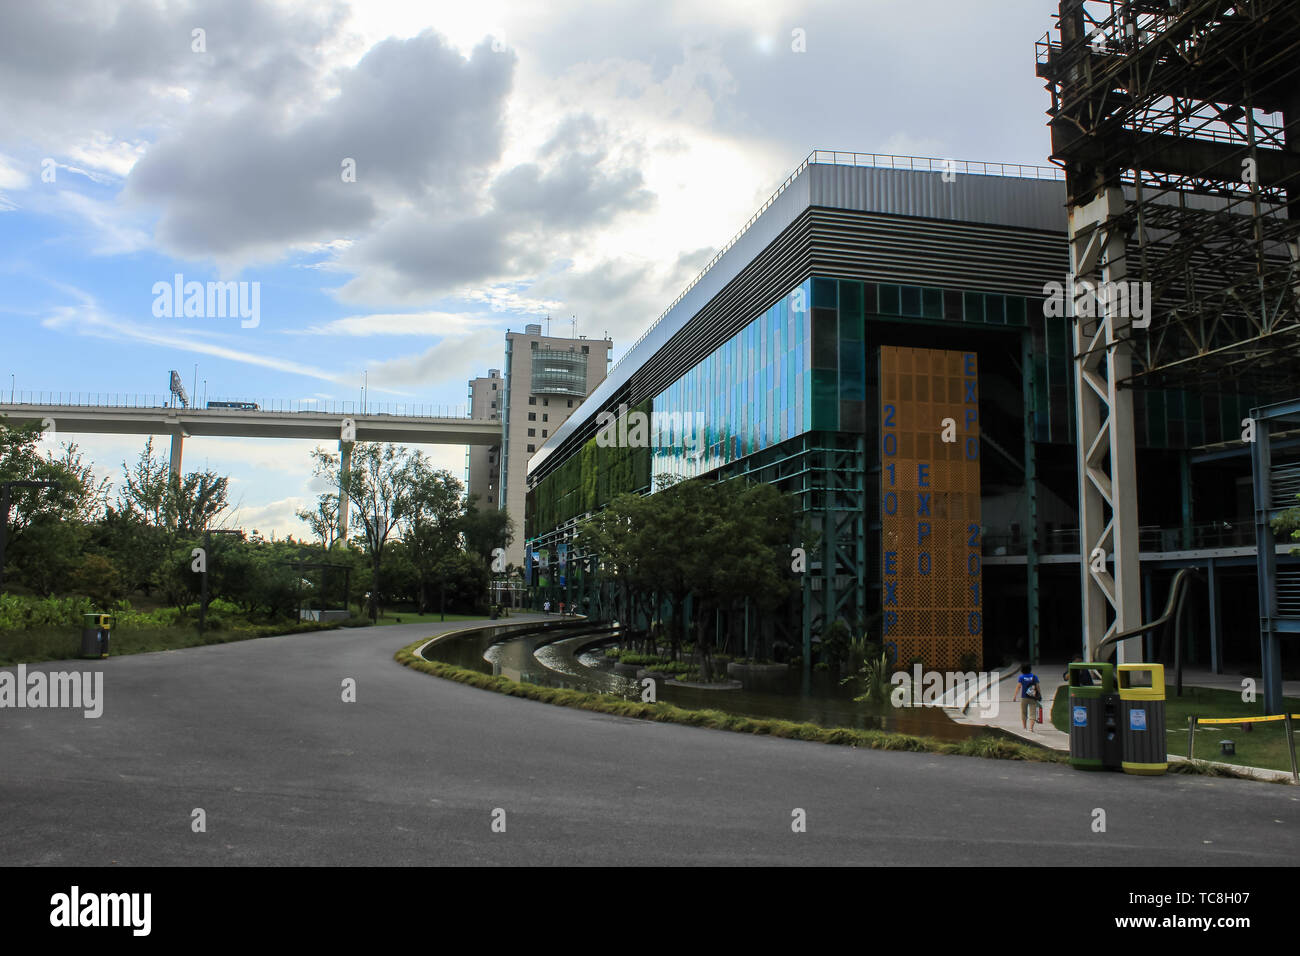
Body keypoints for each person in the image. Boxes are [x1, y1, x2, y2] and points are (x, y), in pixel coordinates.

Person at [1013, 662, 1042, 732]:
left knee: (1024, 712)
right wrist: (1040, 695)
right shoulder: (1034, 677)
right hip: (1033, 697)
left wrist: (1015, 696)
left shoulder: (1021, 677)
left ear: (1022, 669)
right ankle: (1031, 728)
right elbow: (1038, 687)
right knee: (1033, 713)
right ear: (1030, 669)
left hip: (1024, 697)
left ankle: (1024, 727)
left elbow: (1018, 687)